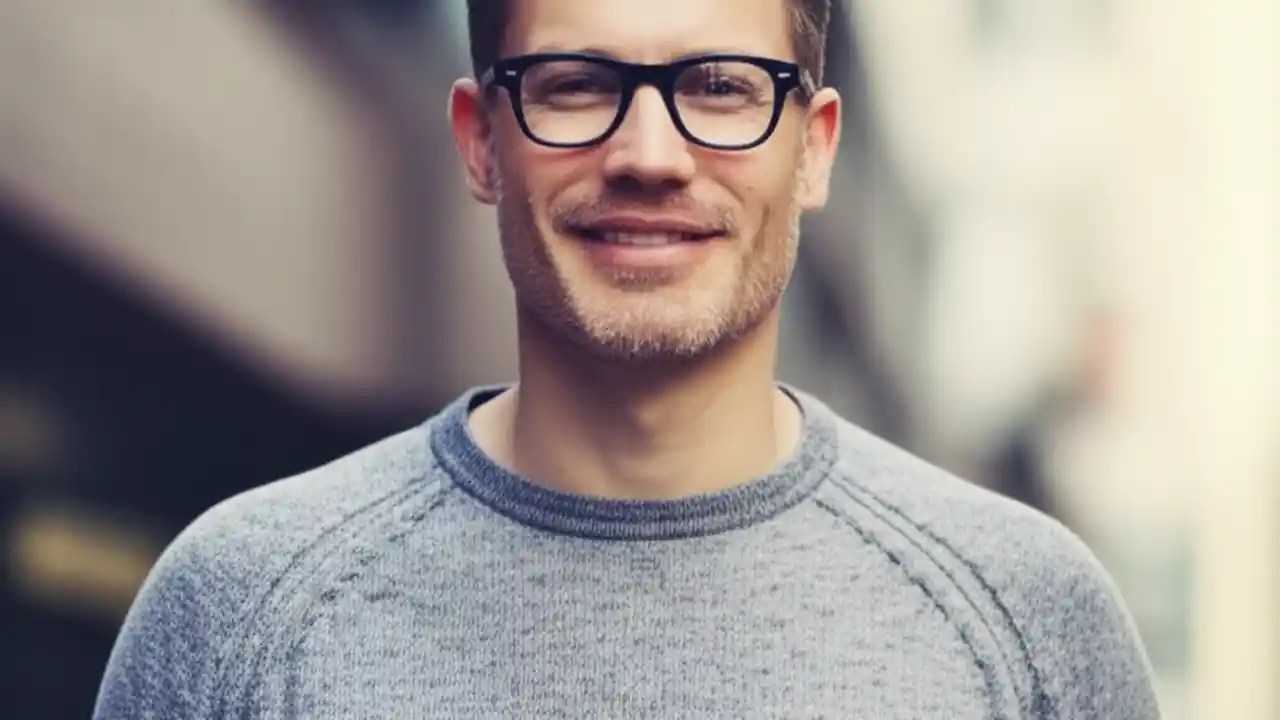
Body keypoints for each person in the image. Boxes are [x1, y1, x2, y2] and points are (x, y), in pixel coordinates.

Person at [93, 0, 1161, 717]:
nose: (648, 155)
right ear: (478, 141)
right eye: (570, 84)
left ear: (816, 149)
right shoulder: (236, 607)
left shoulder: (1023, 620)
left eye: (721, 88)